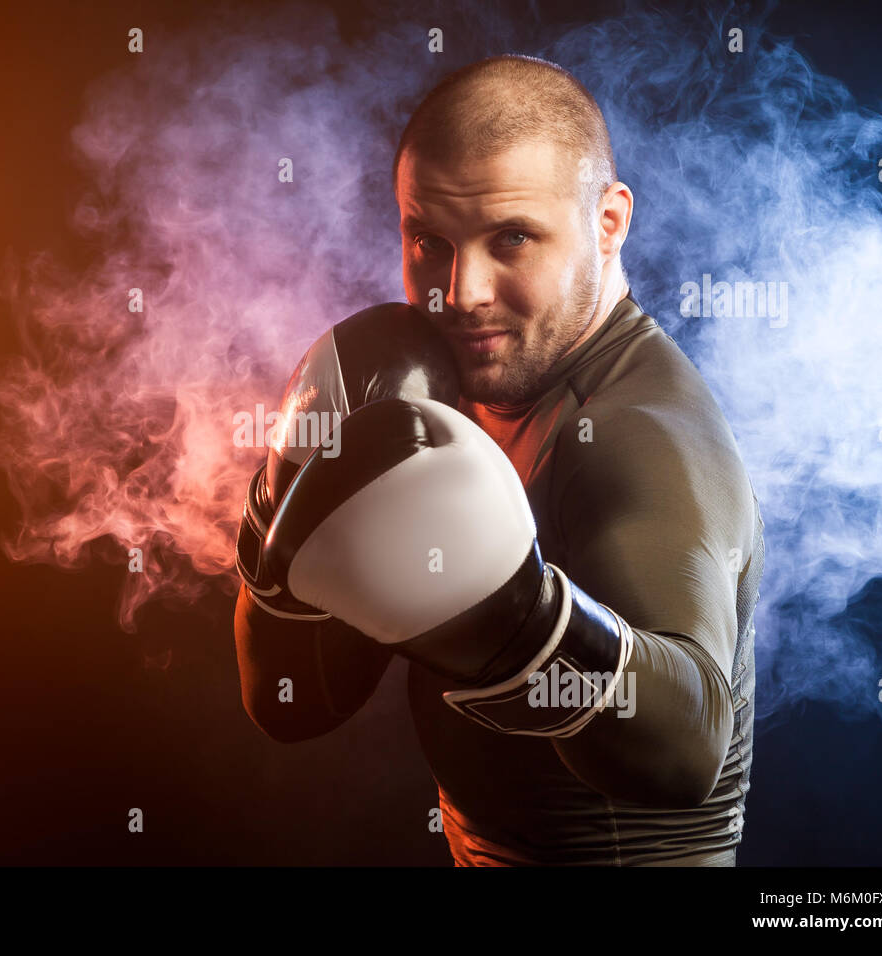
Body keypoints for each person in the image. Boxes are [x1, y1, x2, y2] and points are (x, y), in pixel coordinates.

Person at [233, 54, 764, 866]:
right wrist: (276, 515)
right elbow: (293, 703)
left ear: (608, 223)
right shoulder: (451, 394)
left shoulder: (631, 432)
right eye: (429, 241)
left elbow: (688, 744)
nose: (462, 292)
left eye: (511, 238)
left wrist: (528, 628)